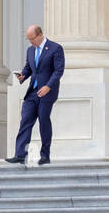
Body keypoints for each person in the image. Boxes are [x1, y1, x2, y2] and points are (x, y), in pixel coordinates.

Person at [6, 24, 65, 166]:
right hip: (32, 92)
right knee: (25, 121)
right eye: (28, 39)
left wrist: (48, 87)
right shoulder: (30, 50)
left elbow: (58, 71)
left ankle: (45, 155)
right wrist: (23, 76)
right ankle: (20, 154)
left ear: (40, 35)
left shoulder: (55, 48)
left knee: (44, 121)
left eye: (32, 39)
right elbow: (29, 67)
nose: (31, 42)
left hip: (46, 92)